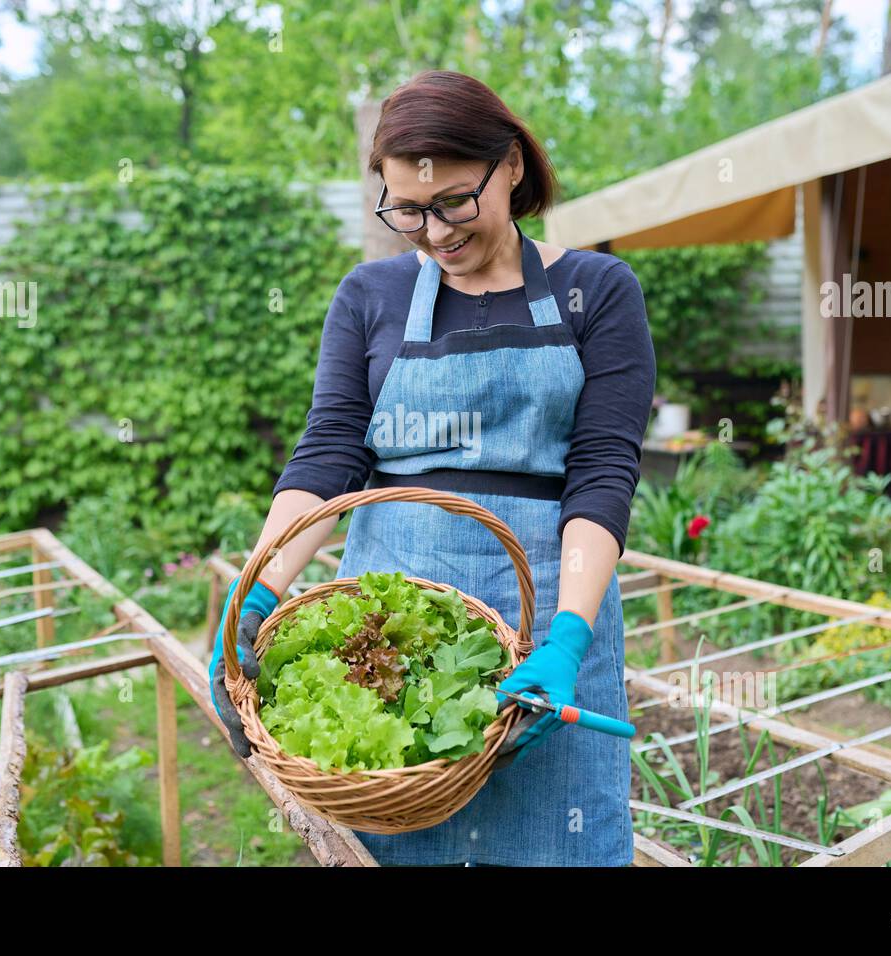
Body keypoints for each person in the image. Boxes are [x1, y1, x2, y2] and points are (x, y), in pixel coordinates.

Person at [210, 70, 655, 867]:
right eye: (406, 209)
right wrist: (256, 594)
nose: (433, 232)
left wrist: (565, 641)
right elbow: (330, 453)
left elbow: (602, 473)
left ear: (512, 165)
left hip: (549, 623)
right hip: (399, 614)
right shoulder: (371, 296)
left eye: (453, 201)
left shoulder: (597, 291)